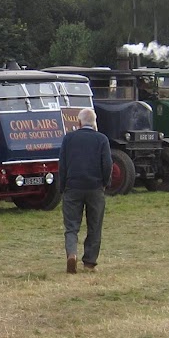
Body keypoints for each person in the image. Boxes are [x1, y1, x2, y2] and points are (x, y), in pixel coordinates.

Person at [55, 107, 112, 274]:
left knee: (71, 226)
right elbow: (107, 164)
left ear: (78, 122)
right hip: (95, 188)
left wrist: (63, 186)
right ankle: (89, 262)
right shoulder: (102, 139)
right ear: (94, 123)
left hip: (73, 187)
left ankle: (71, 254)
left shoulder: (69, 139)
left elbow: (62, 165)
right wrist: (104, 183)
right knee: (94, 225)